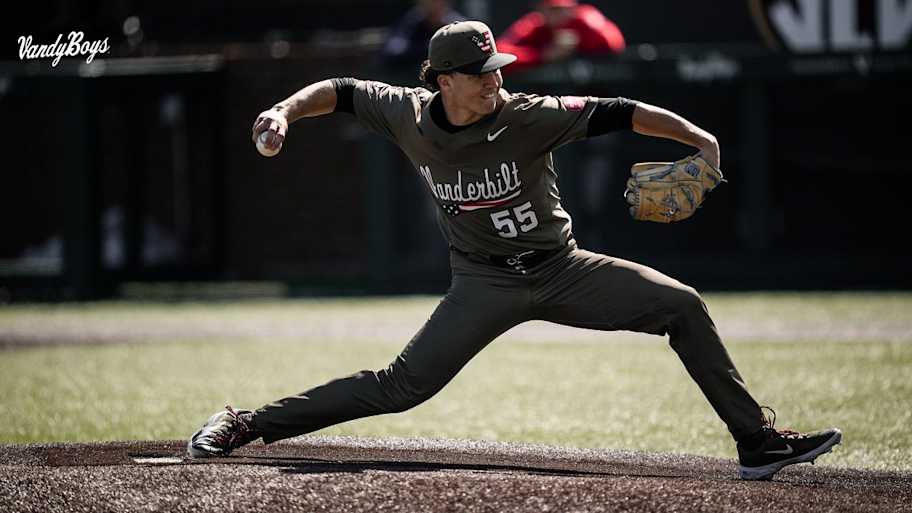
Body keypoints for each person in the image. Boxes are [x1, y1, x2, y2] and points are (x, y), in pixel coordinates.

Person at [188, 21, 841, 481]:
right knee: (400, 386)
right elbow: (339, 90)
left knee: (683, 305)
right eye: (479, 75)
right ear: (444, 80)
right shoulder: (408, 114)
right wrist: (282, 110)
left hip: (562, 269)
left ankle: (756, 442)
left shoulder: (525, 114)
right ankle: (247, 423)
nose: (493, 83)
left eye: (495, 70)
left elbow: (621, 109)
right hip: (482, 284)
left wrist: (697, 136)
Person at [497, 0, 626, 74]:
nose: (556, 14)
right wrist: (543, 55)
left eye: (560, 9)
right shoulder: (535, 24)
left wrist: (579, 41)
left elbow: (615, 43)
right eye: (551, 9)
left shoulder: (584, 19)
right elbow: (500, 53)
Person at [379, 0, 465, 70]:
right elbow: (392, 51)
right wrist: (426, 49)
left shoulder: (457, 27)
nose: (432, 5)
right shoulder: (412, 22)